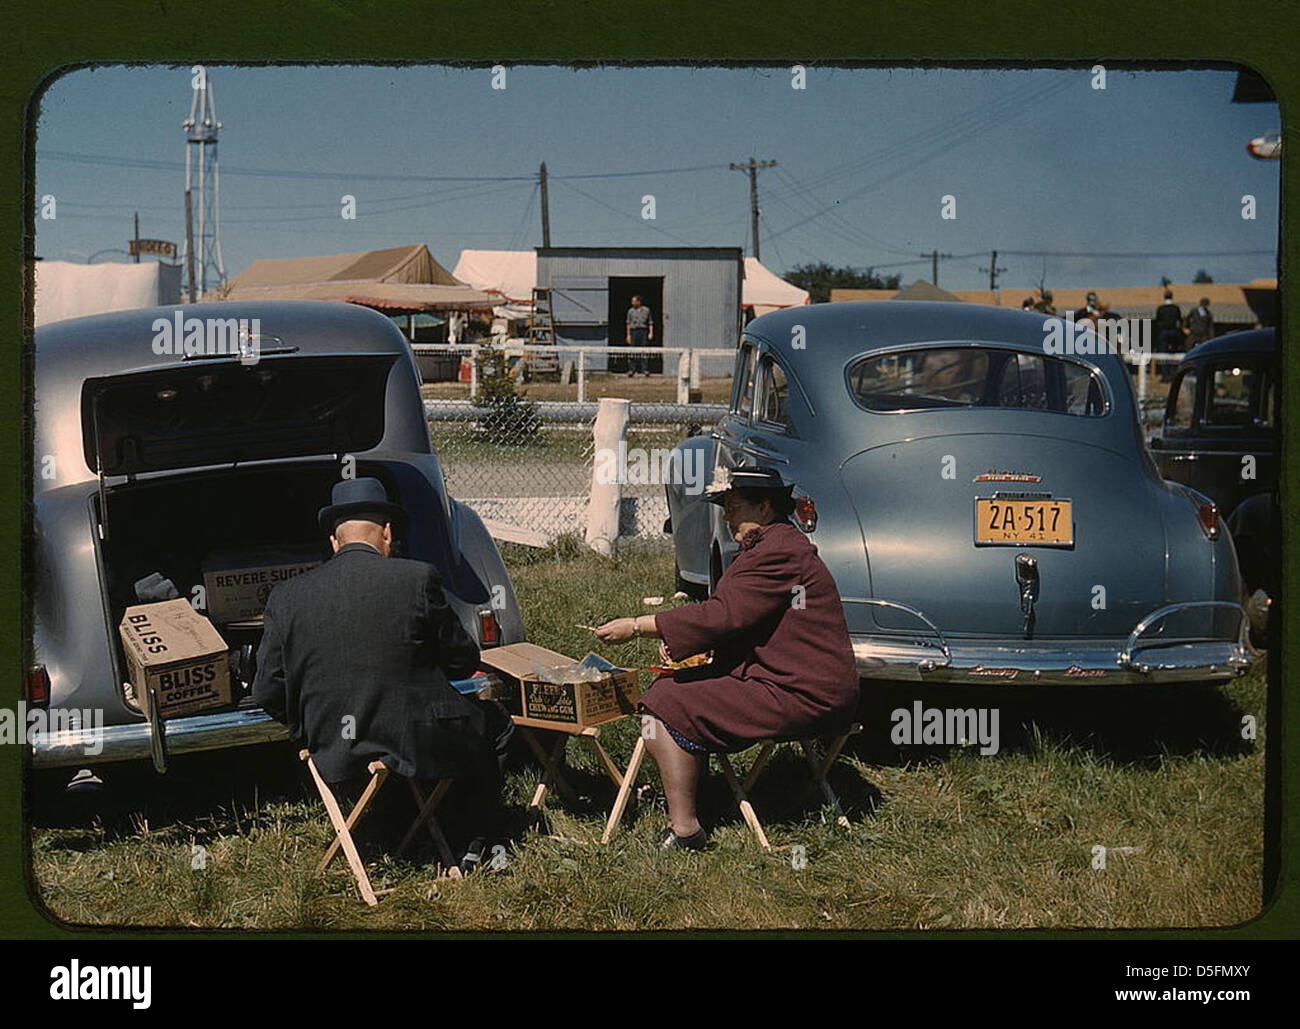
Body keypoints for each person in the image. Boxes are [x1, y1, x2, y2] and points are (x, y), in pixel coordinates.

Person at [595, 467, 859, 850]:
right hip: (801, 684)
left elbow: (722, 615)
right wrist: (700, 646)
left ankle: (685, 830)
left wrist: (638, 625)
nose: (727, 516)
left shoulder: (777, 552)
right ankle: (696, 792)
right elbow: (749, 620)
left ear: (765, 507)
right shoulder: (779, 546)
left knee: (662, 702)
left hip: (803, 694)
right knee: (673, 688)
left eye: (734, 507)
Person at [252, 477, 514, 861]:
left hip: (333, 749)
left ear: (334, 541)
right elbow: (463, 660)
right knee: (498, 723)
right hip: (417, 743)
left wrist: (311, 726)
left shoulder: (287, 596)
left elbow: (267, 690)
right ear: (388, 533)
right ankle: (472, 836)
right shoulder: (416, 578)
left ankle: (394, 821)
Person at [625, 295, 654, 377]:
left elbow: (650, 322)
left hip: (643, 331)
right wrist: (628, 335)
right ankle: (632, 369)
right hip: (633, 331)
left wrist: (651, 333)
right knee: (632, 350)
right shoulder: (630, 311)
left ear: (639, 301)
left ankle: (645, 369)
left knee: (644, 350)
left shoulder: (646, 310)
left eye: (634, 301)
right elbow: (628, 324)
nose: (632, 303)